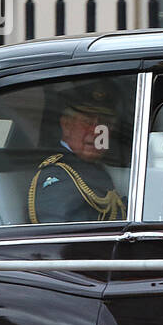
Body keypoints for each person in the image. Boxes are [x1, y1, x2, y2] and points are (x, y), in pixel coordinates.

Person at [27, 80, 127, 224]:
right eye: (87, 122)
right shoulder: (59, 175)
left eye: (104, 123)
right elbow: (62, 234)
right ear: (66, 125)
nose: (97, 131)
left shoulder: (94, 168)